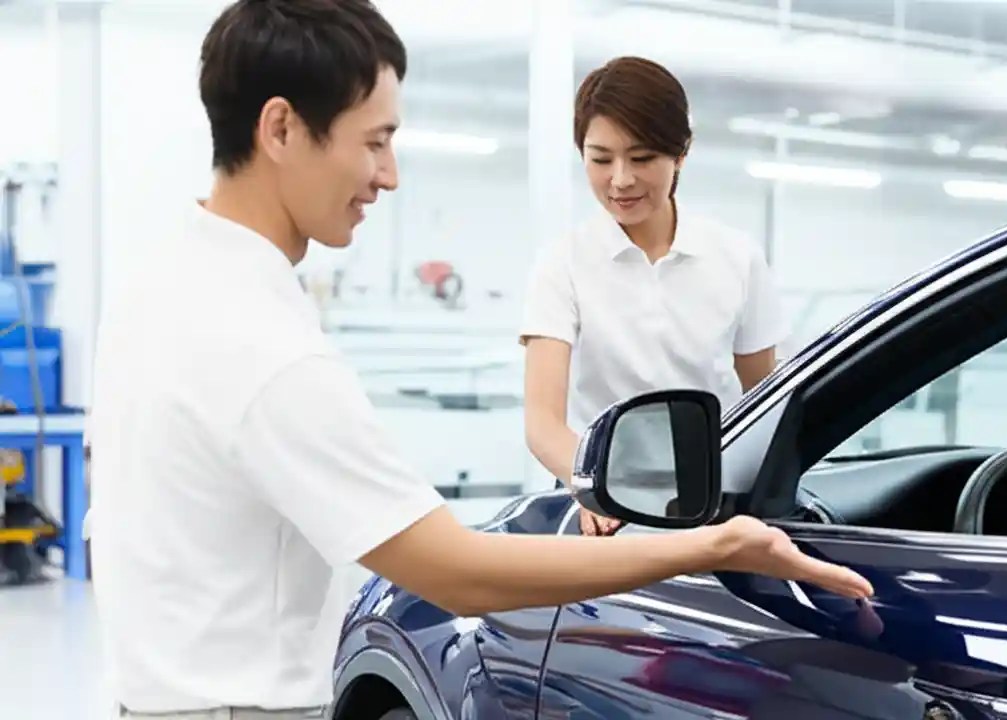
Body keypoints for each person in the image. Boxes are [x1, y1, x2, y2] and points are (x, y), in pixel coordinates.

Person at [87, 2, 872, 718]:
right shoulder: (263, 346)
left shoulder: (153, 290)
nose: (389, 176)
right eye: (376, 141)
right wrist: (716, 544)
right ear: (282, 128)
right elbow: (455, 570)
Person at [520, 56, 788, 535]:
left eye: (641, 158)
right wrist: (593, 488)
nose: (620, 179)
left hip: (715, 503)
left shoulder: (737, 257)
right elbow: (542, 424)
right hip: (603, 510)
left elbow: (763, 402)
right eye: (600, 159)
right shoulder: (563, 262)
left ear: (680, 152)